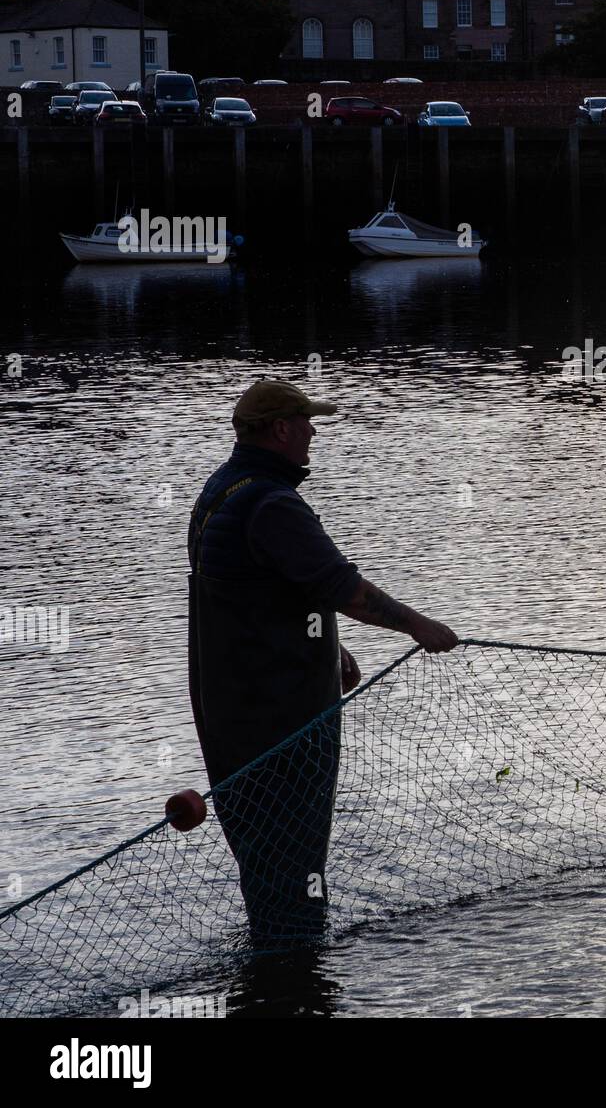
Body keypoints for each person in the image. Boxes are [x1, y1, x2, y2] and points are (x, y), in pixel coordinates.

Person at [188, 377, 458, 947]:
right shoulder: (273, 504)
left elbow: (253, 590)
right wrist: (422, 627)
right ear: (281, 429)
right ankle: (295, 966)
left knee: (263, 854)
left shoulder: (219, 492)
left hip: (229, 712)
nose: (313, 432)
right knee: (292, 851)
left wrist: (328, 646)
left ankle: (275, 974)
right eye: (306, 422)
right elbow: (347, 590)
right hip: (282, 720)